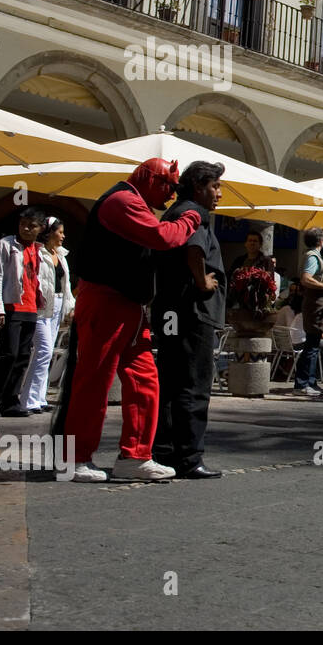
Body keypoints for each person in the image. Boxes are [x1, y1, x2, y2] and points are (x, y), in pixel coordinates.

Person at [55, 159, 201, 482]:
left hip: (128, 306)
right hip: (107, 301)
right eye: (169, 187)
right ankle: (75, 459)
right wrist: (191, 217)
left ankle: (135, 456)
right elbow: (163, 237)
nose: (171, 194)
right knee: (95, 380)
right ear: (153, 180)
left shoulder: (133, 202)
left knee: (144, 380)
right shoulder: (122, 201)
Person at [151, 161, 226, 480]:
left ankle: (164, 450)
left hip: (170, 311)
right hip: (193, 312)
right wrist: (202, 282)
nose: (219, 194)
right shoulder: (195, 213)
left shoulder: (174, 212)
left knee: (170, 381)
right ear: (199, 186)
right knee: (194, 383)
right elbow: (194, 251)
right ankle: (189, 457)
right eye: (215, 187)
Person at [0, 207, 45, 418]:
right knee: (8, 355)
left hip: (31, 308)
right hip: (11, 307)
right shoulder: (5, 245)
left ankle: (10, 402)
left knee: (22, 357)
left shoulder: (38, 249)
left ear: (40, 228)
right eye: (23, 223)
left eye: (31, 225)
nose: (25, 228)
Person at [21, 217, 74, 414]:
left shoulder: (60, 255)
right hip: (41, 307)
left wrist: (70, 307)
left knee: (47, 352)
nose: (63, 236)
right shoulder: (38, 252)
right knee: (42, 351)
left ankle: (39, 398)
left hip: (58, 306)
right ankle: (28, 399)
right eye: (60, 232)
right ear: (50, 232)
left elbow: (66, 285)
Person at [293, 228, 323, 397]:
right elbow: (306, 278)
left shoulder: (312, 256)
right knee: (312, 346)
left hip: (315, 306)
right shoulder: (313, 257)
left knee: (313, 344)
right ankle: (302, 384)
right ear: (321, 240)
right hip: (315, 306)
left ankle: (310, 382)